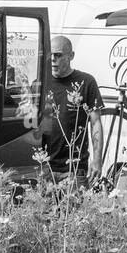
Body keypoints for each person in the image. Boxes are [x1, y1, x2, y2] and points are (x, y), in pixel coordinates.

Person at [41, 35, 103, 181]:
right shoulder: (40, 82)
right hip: (45, 166)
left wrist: (97, 160)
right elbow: (30, 124)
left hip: (75, 166)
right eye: (51, 55)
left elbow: (96, 123)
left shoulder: (86, 82)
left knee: (74, 204)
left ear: (71, 56)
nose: (54, 59)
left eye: (58, 55)